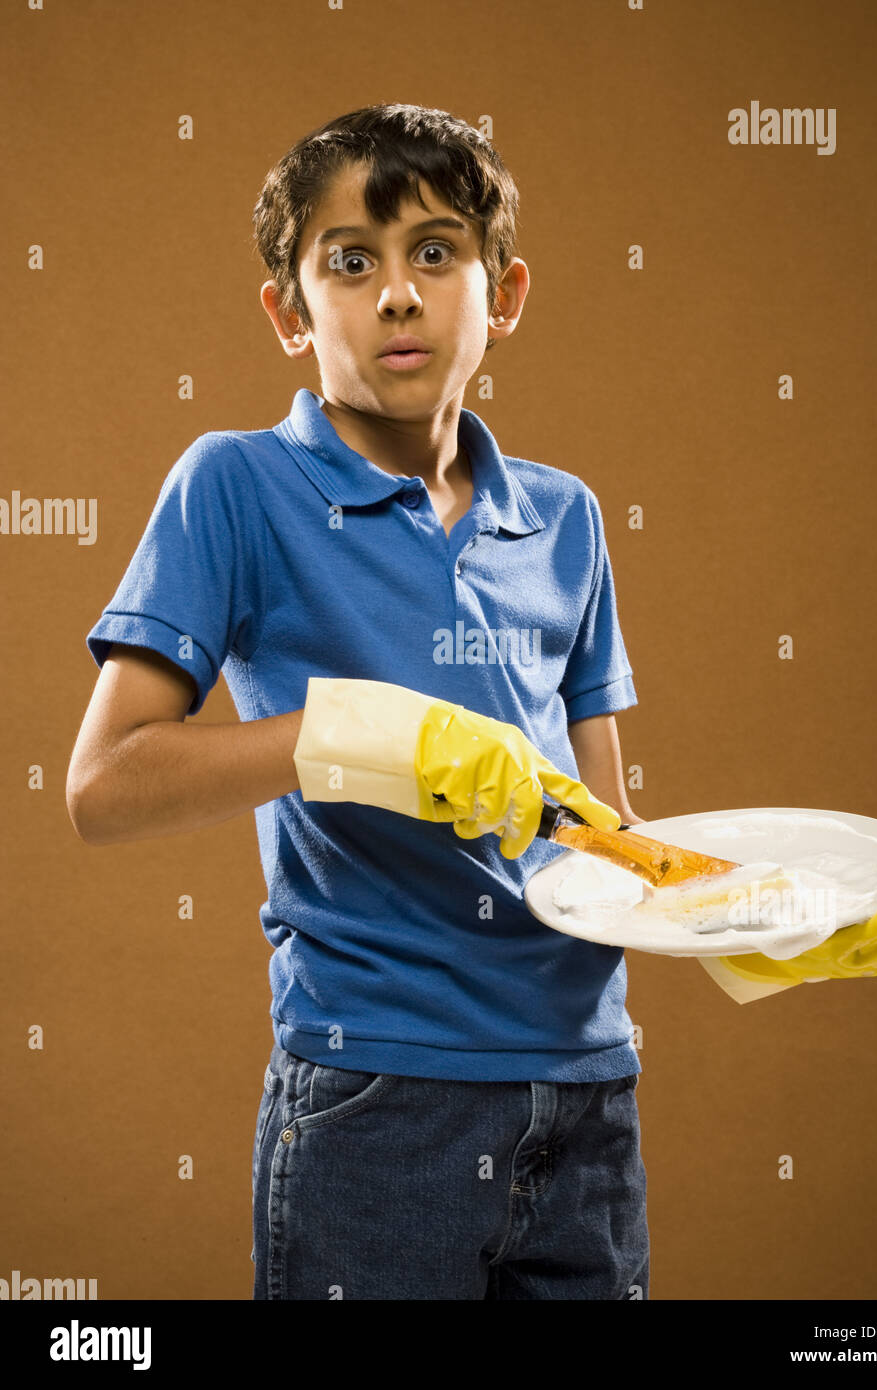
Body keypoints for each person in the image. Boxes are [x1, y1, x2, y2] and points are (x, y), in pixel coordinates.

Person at [66, 104, 651, 1300]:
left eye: (437, 254)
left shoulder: (567, 518)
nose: (398, 294)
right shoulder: (235, 486)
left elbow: (608, 831)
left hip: (588, 1086)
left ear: (506, 294)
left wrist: (756, 916)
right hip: (377, 1098)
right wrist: (343, 734)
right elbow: (105, 786)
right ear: (290, 310)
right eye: (352, 261)